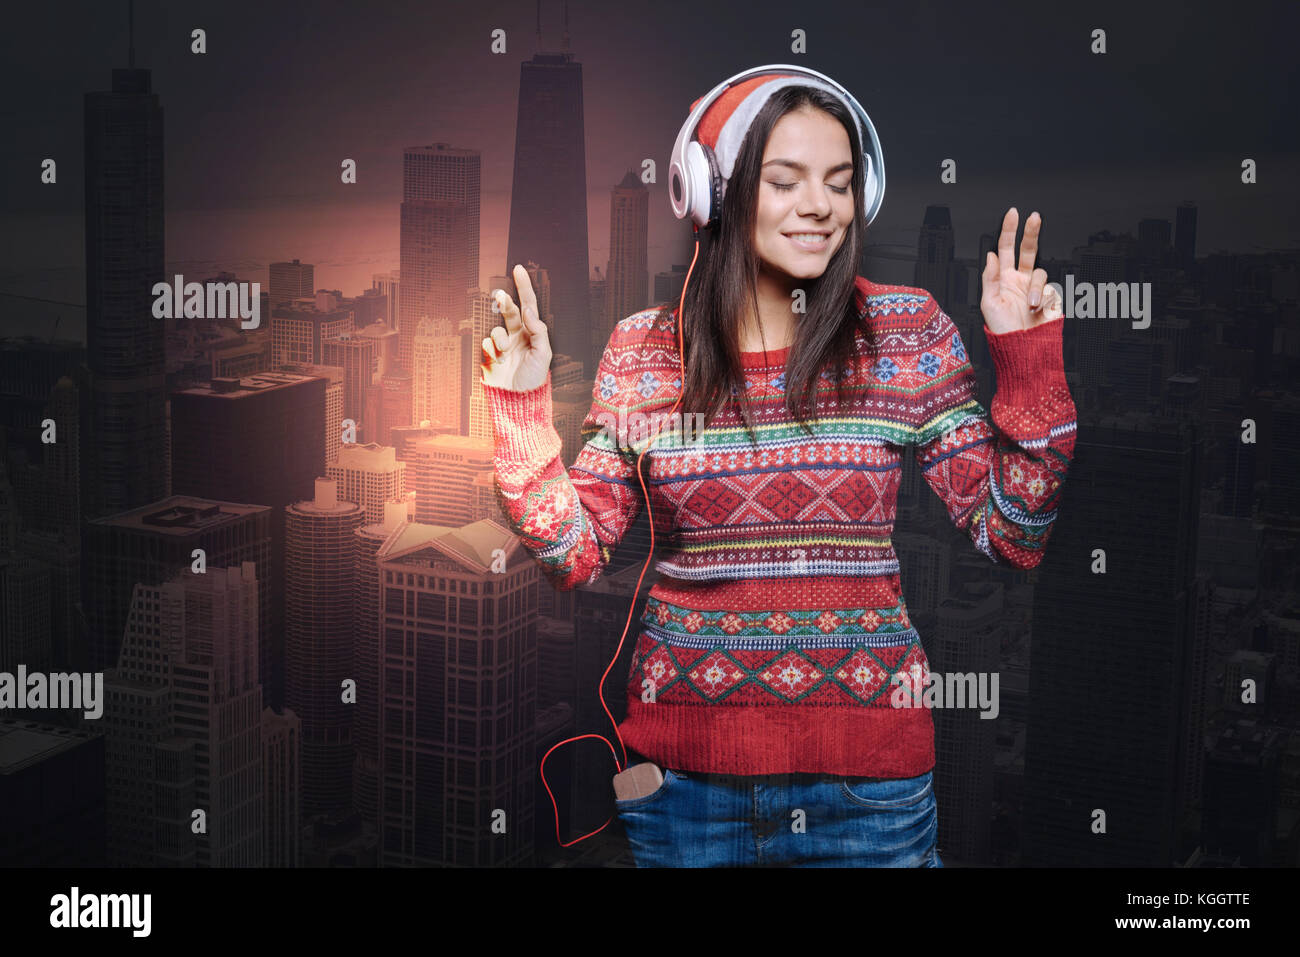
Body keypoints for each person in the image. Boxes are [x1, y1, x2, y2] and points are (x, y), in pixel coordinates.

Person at [480, 71, 1076, 867]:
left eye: (839, 183)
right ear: (711, 192)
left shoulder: (906, 335)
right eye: (786, 180)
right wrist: (520, 414)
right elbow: (573, 556)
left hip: (868, 794)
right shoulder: (643, 353)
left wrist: (1028, 361)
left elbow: (1014, 535)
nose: (820, 206)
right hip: (684, 793)